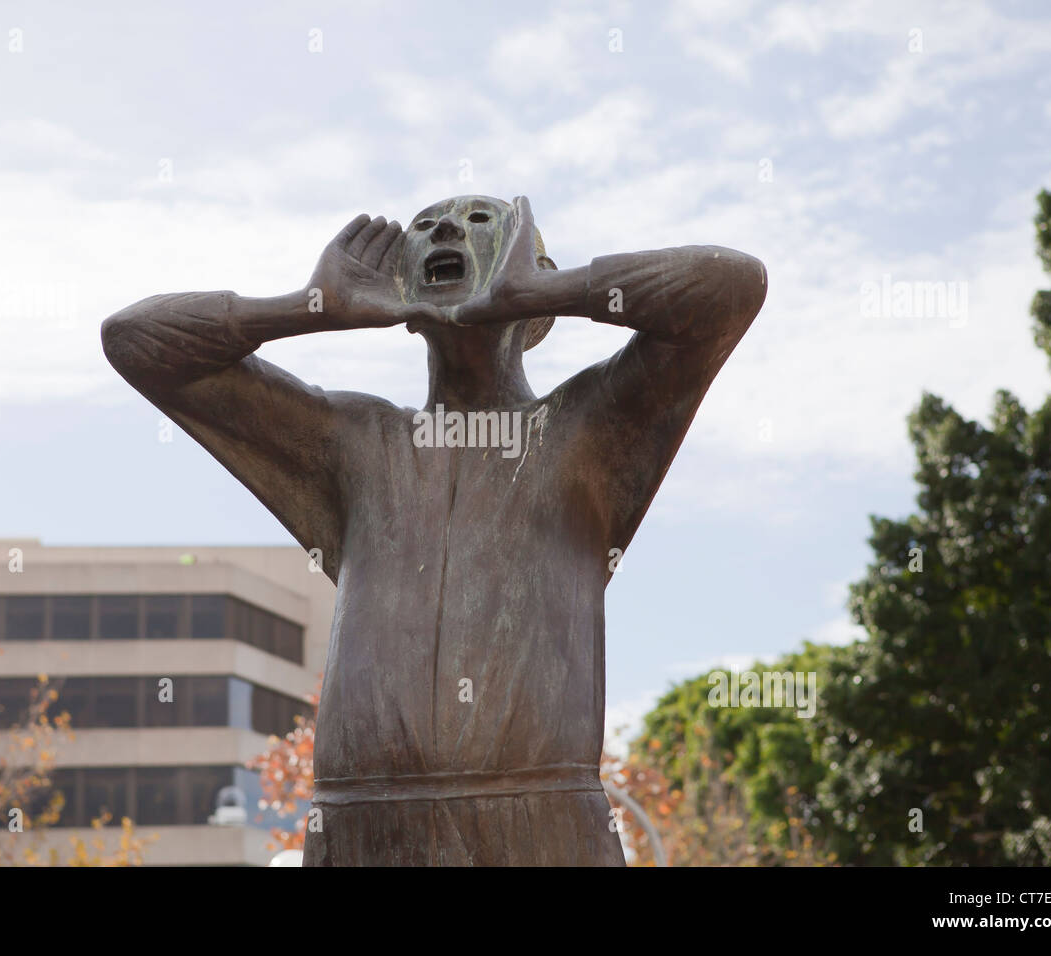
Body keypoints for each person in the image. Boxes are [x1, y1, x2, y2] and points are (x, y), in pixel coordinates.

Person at [101, 194, 767, 865]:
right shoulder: (352, 444)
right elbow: (134, 341)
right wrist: (302, 308)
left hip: (543, 824)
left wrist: (550, 290)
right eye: (424, 226)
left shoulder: (587, 431)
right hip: (360, 827)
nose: (446, 229)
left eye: (482, 223)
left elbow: (731, 287)